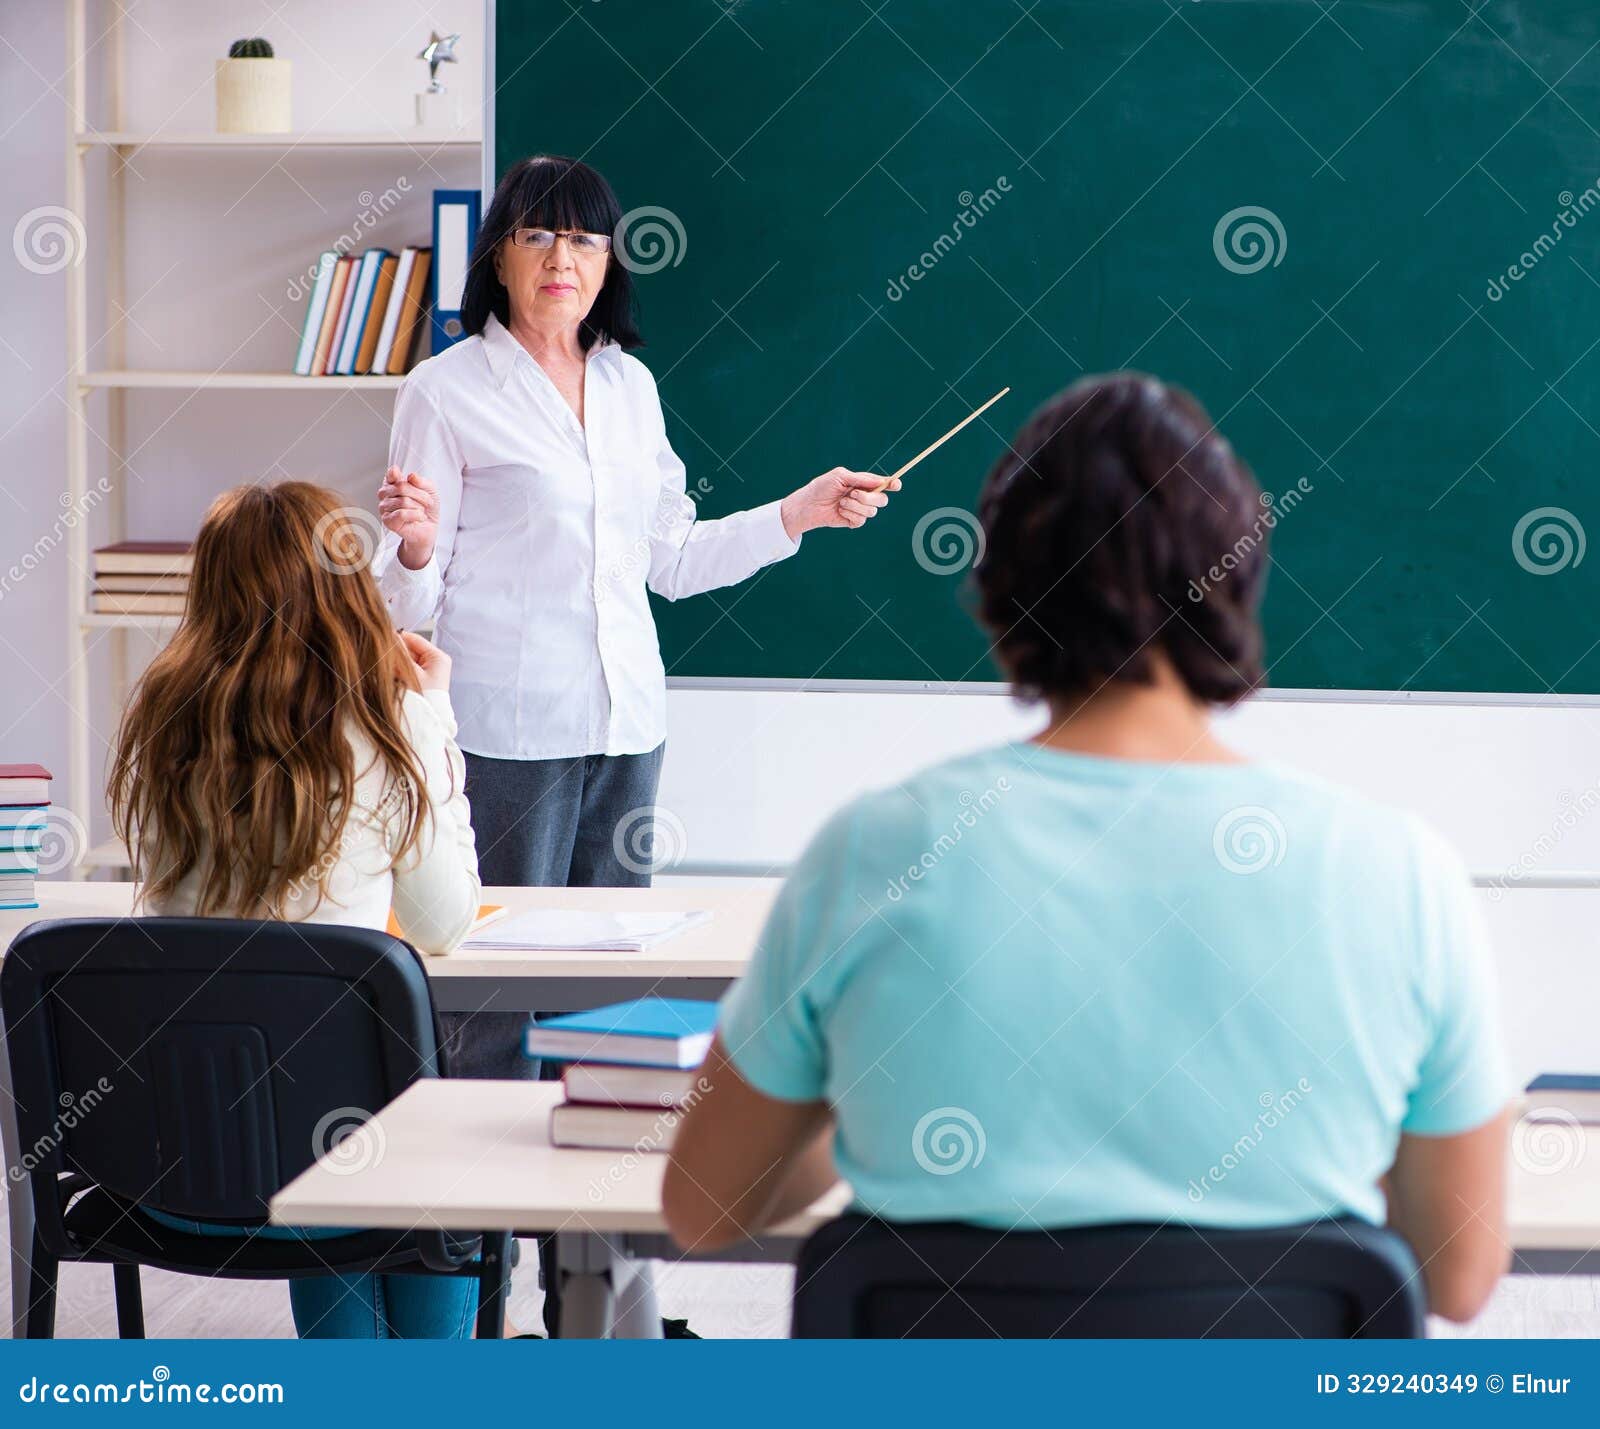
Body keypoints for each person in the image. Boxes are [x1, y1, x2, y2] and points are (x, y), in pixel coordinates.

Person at [663, 373, 1513, 1325]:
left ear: (1000, 587)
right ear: (1238, 572)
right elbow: (1462, 1273)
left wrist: (860, 1103)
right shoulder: (1397, 873)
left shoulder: (873, 852)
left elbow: (704, 1206)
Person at [372, 153, 898, 1084]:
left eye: (581, 238)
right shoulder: (445, 391)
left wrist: (799, 512)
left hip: (626, 727)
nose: (559, 257)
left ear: (609, 261)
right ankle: (479, 1230)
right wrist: (411, 547)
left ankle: (582, 1218)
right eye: (536, 236)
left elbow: (676, 558)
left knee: (610, 995)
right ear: (499, 257)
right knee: (493, 992)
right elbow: (411, 607)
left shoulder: (628, 387)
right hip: (505, 733)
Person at [108, 480, 483, 1339]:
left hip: (176, 1166)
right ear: (349, 592)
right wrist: (435, 723)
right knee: (419, 1136)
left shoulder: (162, 722)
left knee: (316, 1115)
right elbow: (444, 923)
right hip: (338, 1161)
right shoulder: (389, 723)